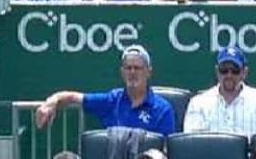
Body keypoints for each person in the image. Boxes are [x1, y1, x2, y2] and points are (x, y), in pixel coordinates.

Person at [35, 45, 176, 135]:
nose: (132, 72)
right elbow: (72, 97)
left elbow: (166, 151)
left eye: (137, 68)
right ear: (122, 72)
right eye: (128, 68)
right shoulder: (112, 100)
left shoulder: (163, 109)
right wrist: (51, 102)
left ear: (148, 72)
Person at [182, 46, 256, 137]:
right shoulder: (198, 103)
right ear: (217, 71)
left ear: (244, 72)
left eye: (235, 70)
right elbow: (192, 143)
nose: (229, 75)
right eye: (224, 70)